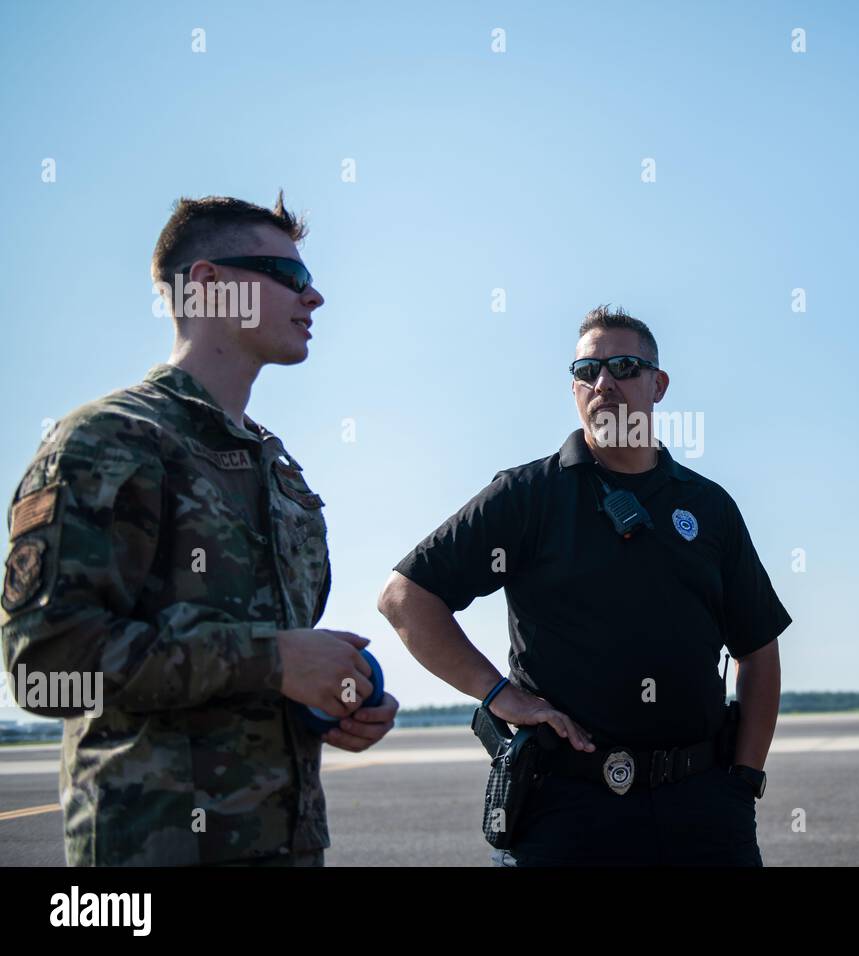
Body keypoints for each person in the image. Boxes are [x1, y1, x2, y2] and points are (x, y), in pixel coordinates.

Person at [1, 193, 398, 866]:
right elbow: (43, 662)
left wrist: (328, 701)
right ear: (211, 285)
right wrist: (270, 660)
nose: (316, 297)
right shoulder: (111, 440)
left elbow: (253, 674)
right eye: (291, 278)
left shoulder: (280, 470)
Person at [378, 305, 789, 866]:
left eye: (623, 366)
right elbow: (405, 597)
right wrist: (500, 694)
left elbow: (758, 651)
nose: (603, 383)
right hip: (563, 808)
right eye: (586, 371)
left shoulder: (708, 507)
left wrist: (743, 780)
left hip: (702, 808)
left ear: (658, 384)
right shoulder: (528, 496)